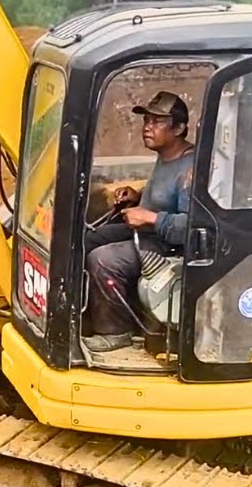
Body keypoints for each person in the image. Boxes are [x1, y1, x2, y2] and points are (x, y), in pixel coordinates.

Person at [82, 91, 195, 353]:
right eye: (147, 120)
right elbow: (165, 196)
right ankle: (87, 312)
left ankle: (116, 332)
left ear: (179, 128)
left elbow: (192, 227)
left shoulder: (190, 170)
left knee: (104, 259)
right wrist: (138, 196)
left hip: (168, 246)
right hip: (147, 232)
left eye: (158, 122)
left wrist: (150, 217)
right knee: (87, 240)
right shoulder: (167, 155)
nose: (147, 127)